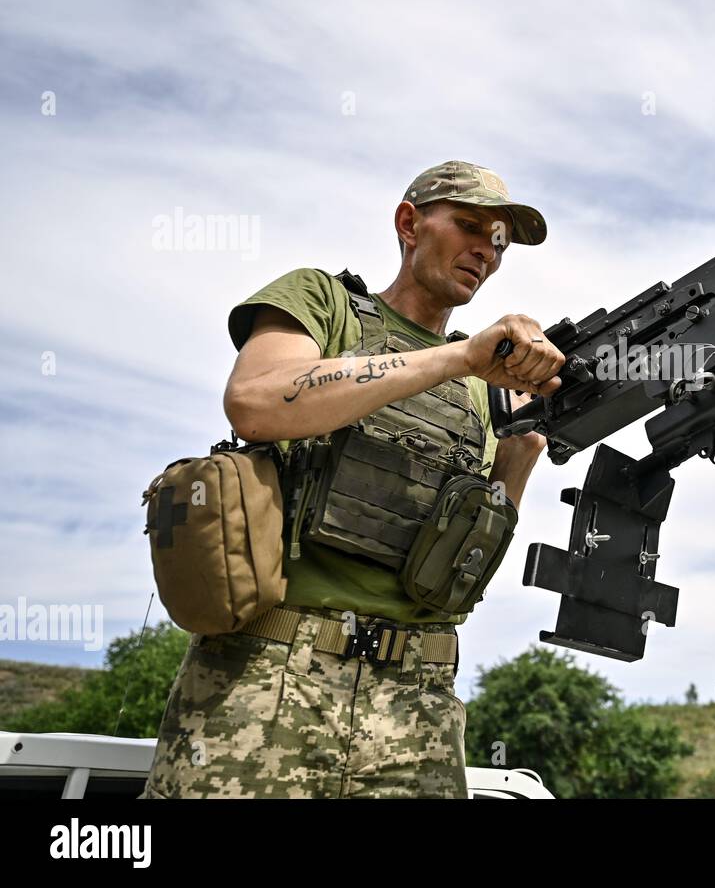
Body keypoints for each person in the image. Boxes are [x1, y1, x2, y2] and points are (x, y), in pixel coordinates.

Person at [142, 160, 565, 798]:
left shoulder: (486, 390)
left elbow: (461, 562)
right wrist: (459, 358)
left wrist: (525, 448)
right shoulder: (323, 301)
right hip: (269, 682)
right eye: (470, 224)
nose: (486, 249)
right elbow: (255, 401)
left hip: (417, 701)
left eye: (499, 242)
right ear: (409, 223)